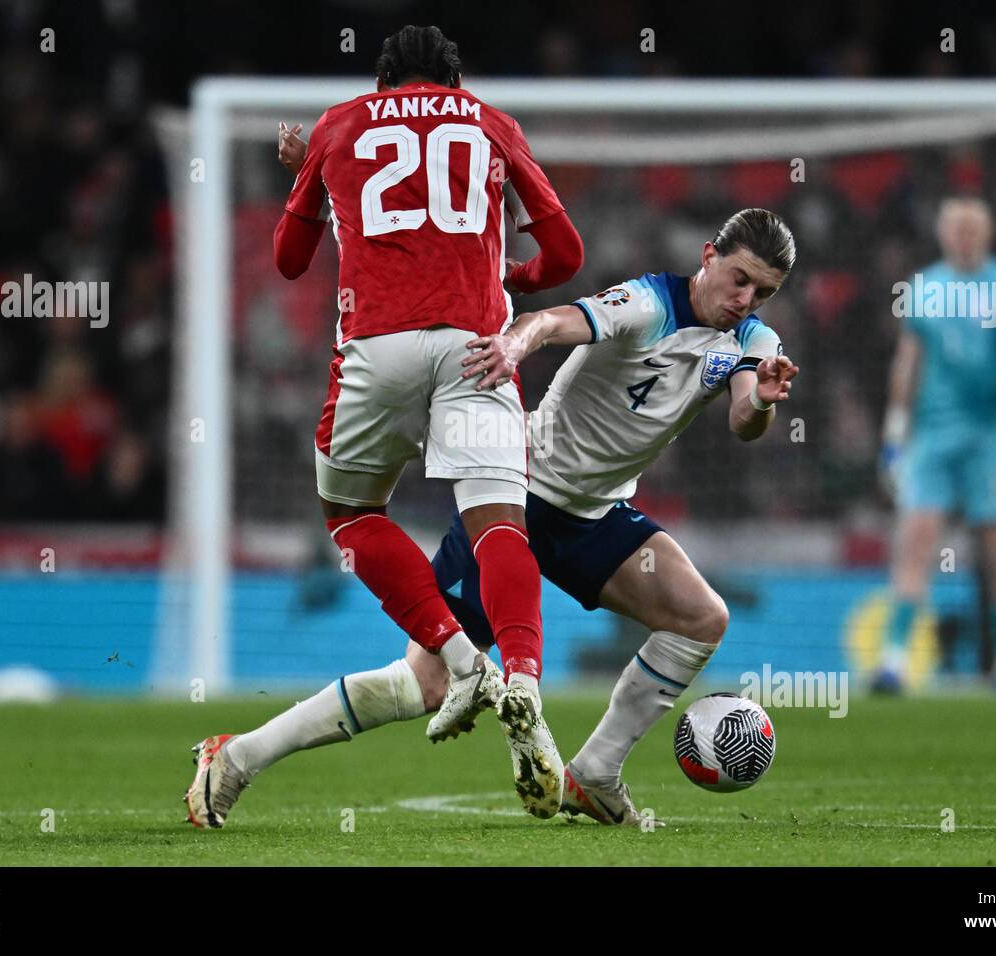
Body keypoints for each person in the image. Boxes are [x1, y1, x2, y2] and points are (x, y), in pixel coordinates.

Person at [194, 209, 799, 827]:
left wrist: (766, 405)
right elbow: (549, 319)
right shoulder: (647, 304)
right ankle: (238, 757)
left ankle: (593, 774)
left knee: (701, 619)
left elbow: (744, 417)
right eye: (740, 279)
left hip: (595, 516)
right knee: (423, 685)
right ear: (708, 256)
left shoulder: (753, 341)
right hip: (518, 500)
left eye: (763, 292)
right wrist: (512, 345)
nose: (745, 299)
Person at [184, 24, 584, 828]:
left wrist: (314, 179)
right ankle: (525, 678)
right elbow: (566, 255)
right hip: (477, 344)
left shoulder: (341, 123)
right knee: (500, 524)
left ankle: (461, 658)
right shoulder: (491, 121)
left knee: (355, 514)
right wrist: (512, 273)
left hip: (378, 349)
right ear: (455, 77)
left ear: (382, 77)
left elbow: (290, 262)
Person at [876, 197, 996, 695]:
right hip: (933, 433)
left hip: (994, 432)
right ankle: (893, 660)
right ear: (941, 233)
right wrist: (895, 434)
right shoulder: (925, 287)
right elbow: (907, 362)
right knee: (916, 536)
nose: (962, 235)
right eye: (954, 227)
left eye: (971, 227)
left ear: (987, 232)